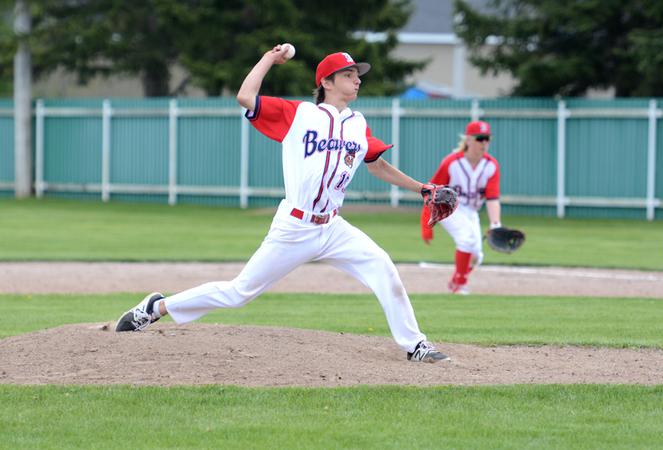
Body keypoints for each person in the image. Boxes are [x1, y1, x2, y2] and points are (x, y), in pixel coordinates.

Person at [115, 46, 450, 363]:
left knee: (383, 267)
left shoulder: (357, 124)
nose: (357, 79)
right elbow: (245, 98)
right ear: (326, 82)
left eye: (357, 74)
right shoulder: (299, 114)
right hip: (295, 226)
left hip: (333, 227)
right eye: (349, 74)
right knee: (239, 293)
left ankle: (415, 344)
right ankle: (156, 307)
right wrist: (268, 59)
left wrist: (422, 188)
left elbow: (376, 164)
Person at [421, 120, 502, 294]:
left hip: (471, 212)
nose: (484, 143)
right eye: (480, 138)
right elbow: (430, 192)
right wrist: (426, 224)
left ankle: (455, 280)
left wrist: (495, 223)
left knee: (476, 257)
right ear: (468, 140)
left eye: (487, 138)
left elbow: (493, 197)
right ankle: (460, 284)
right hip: (449, 209)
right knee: (466, 239)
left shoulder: (491, 165)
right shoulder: (451, 162)